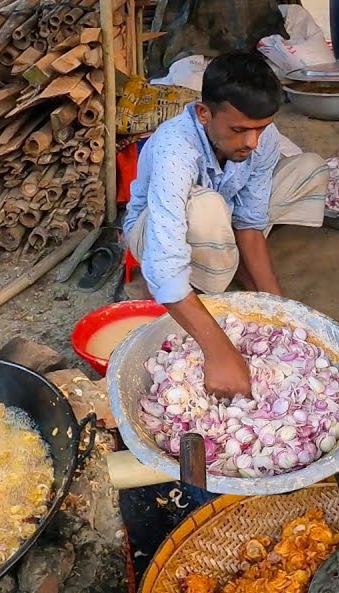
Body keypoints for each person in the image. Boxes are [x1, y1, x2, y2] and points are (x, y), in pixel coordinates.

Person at [124, 53, 328, 398]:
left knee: (309, 168)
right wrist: (220, 351)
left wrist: (279, 312)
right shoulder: (177, 149)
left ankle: (224, 265)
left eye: (260, 129)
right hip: (155, 231)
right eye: (239, 130)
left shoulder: (260, 138)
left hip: (223, 214)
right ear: (205, 114)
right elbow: (165, 264)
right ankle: (205, 291)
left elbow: (249, 221)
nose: (251, 142)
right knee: (207, 209)